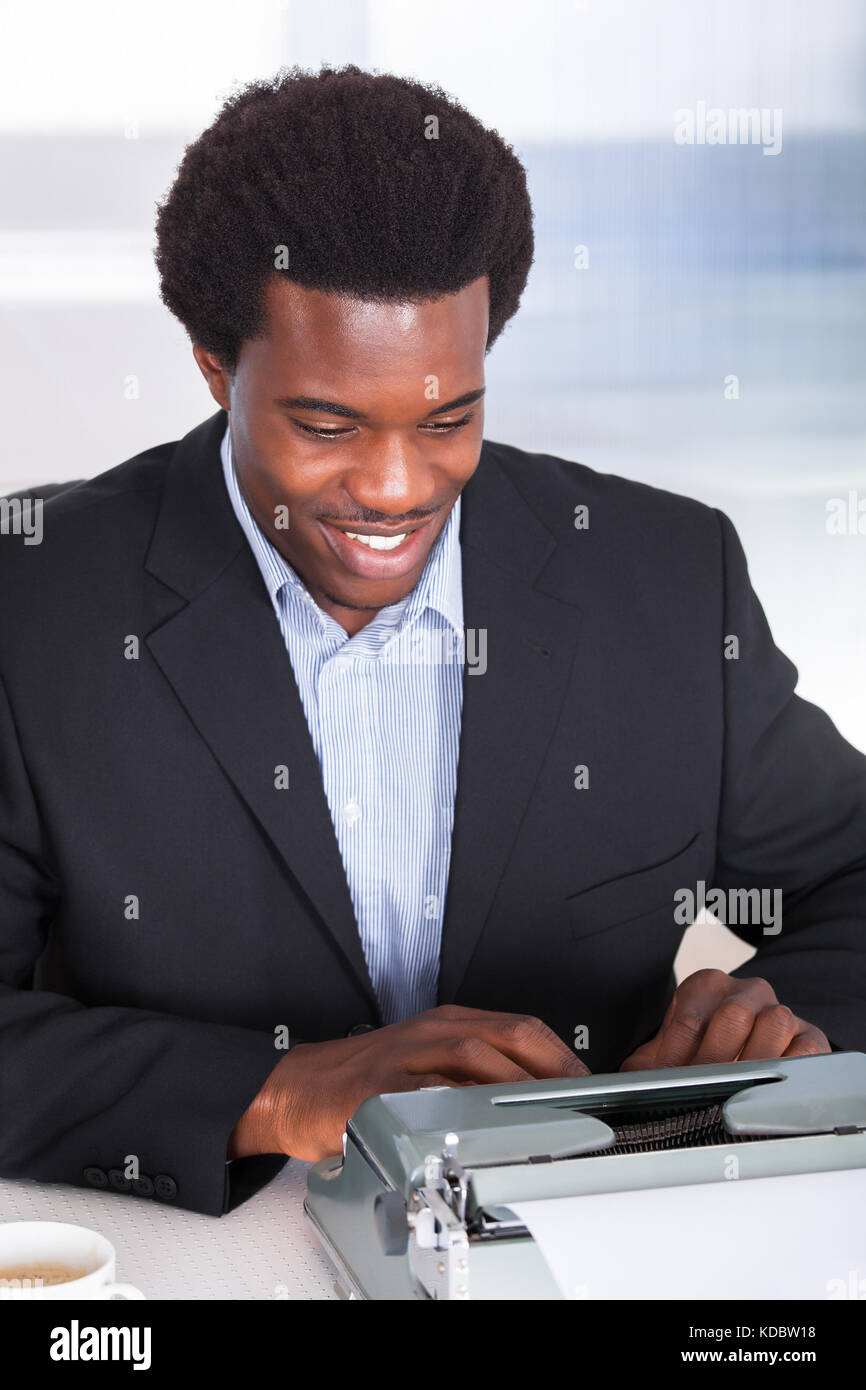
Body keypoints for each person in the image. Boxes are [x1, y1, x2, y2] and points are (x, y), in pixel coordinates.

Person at [1, 66, 863, 1217]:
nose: (396, 489)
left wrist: (770, 1026)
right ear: (215, 367)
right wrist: (275, 1090)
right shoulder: (38, 599)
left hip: (585, 1247)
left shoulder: (661, 579)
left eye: (448, 417)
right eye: (324, 424)